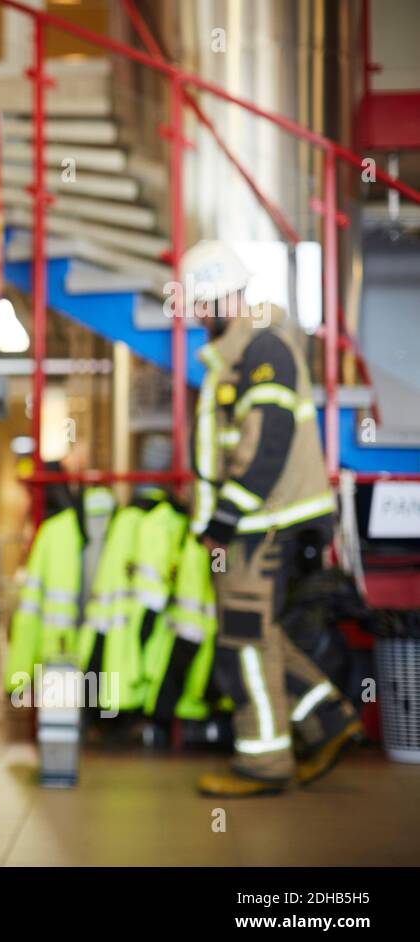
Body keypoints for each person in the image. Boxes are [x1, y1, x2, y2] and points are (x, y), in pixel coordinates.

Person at [182, 240, 363, 797]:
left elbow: (268, 441)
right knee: (259, 635)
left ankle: (264, 762)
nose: (193, 313)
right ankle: (328, 720)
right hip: (260, 521)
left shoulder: (263, 350)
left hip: (261, 523)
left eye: (198, 302)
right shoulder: (245, 352)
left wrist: (226, 516)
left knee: (243, 640)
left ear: (220, 300)